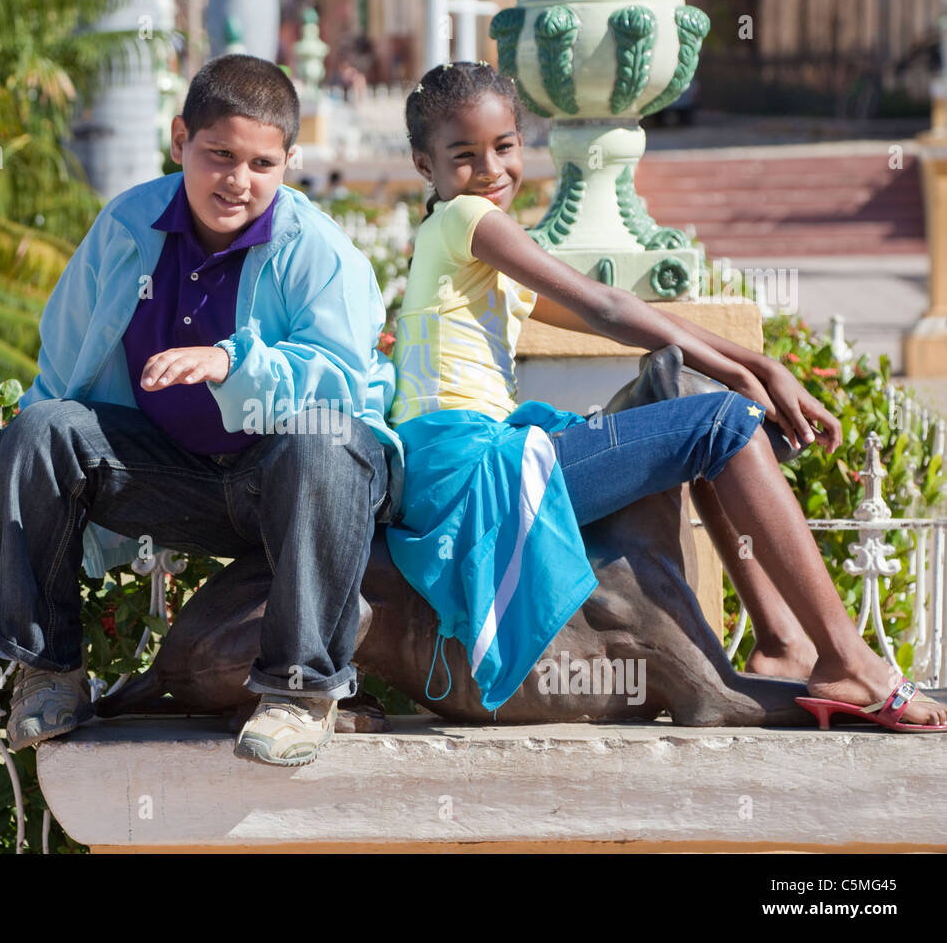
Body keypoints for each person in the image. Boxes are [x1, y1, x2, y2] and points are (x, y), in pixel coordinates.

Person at [385, 60, 946, 730]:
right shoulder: (467, 219)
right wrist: (748, 374)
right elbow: (605, 307)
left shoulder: (466, 247)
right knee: (722, 422)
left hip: (471, 460)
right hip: (470, 474)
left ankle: (782, 645)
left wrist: (754, 362)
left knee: (683, 382)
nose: (491, 169)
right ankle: (846, 659)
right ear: (426, 165)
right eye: (464, 155)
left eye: (505, 147)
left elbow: (633, 320)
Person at [0, 54, 404, 766]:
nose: (239, 182)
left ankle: (302, 692)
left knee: (324, 439)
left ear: (289, 163)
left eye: (262, 163)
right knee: (40, 430)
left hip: (299, 485)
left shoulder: (319, 252)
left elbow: (343, 387)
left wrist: (234, 363)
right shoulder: (125, 226)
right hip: (178, 479)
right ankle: (48, 672)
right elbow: (62, 370)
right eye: (219, 156)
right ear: (180, 140)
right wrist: (30, 472)